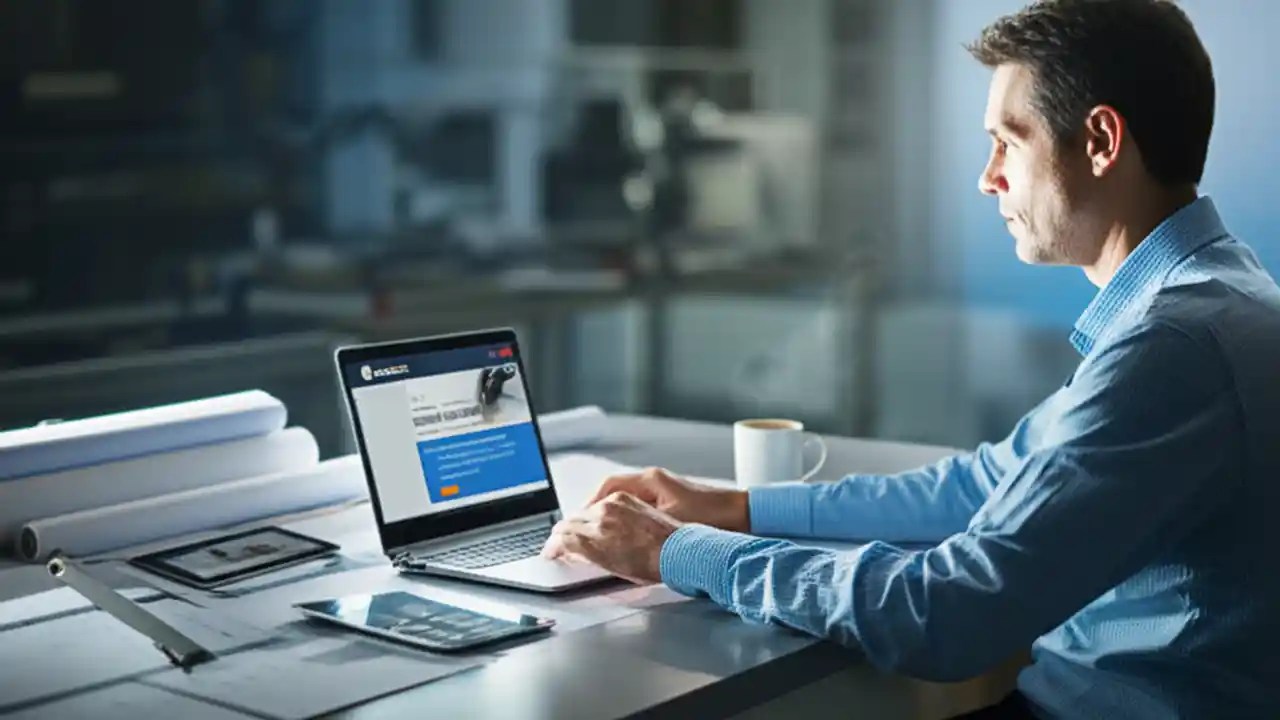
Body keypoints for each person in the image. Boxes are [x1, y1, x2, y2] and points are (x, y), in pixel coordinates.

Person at [541, 1, 1280, 717]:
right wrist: (735, 507)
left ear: (1100, 141)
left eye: (1009, 141)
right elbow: (986, 483)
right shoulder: (1218, 295)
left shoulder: (1169, 349)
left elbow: (947, 612)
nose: (988, 177)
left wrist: (680, 551)